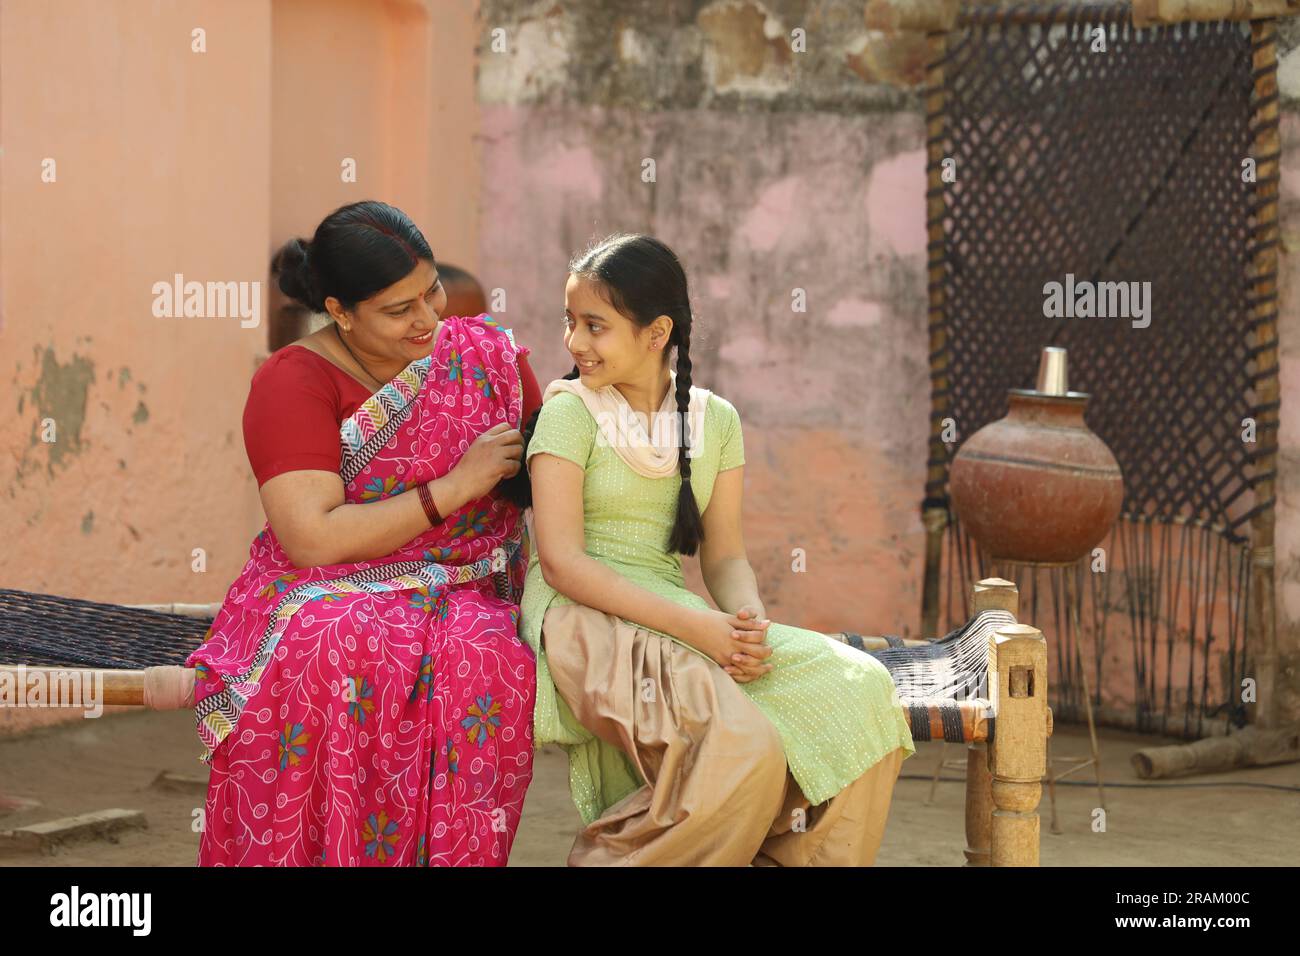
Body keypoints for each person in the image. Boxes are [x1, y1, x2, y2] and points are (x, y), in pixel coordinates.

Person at [516, 233, 916, 866]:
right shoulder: (570, 413)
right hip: (581, 618)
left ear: (656, 333)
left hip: (680, 614)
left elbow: (725, 557)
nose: (574, 343)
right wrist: (702, 630)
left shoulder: (715, 421)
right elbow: (562, 563)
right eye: (571, 323)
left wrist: (746, 625)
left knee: (860, 689)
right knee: (742, 745)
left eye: (595, 325)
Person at [187, 200, 540, 866]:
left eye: (430, 289)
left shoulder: (486, 357)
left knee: (479, 657)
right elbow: (312, 539)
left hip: (468, 583)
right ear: (340, 311)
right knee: (334, 639)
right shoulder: (294, 380)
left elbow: (550, 474)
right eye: (398, 308)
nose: (429, 318)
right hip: (324, 584)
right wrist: (456, 487)